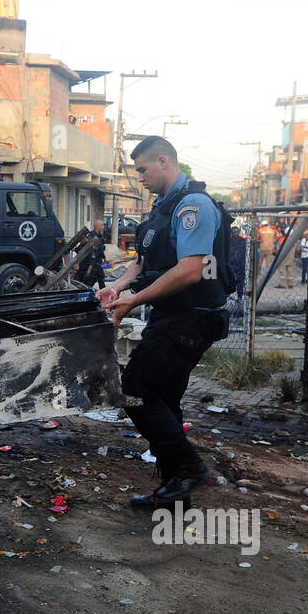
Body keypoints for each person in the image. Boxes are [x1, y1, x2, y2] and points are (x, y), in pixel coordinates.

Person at [99, 137, 230, 508]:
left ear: (163, 161)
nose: (139, 177)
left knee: (137, 388)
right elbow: (143, 263)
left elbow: (190, 270)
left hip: (193, 317)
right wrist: (116, 288)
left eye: (142, 169)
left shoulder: (194, 206)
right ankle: (175, 490)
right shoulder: (163, 207)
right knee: (164, 398)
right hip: (171, 315)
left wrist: (134, 301)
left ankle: (188, 468)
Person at [74, 218, 107, 288]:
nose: (103, 227)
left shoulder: (100, 236)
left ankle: (104, 294)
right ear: (97, 226)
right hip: (89, 263)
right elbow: (80, 248)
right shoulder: (90, 236)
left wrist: (104, 258)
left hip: (97, 262)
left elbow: (101, 249)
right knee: (88, 280)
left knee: (101, 279)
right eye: (102, 225)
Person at [228, 225, 247, 319]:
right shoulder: (229, 242)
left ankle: (240, 297)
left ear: (239, 232)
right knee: (229, 280)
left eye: (236, 232)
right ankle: (228, 297)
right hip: (231, 264)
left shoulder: (243, 241)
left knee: (240, 281)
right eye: (233, 232)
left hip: (240, 264)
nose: (235, 234)